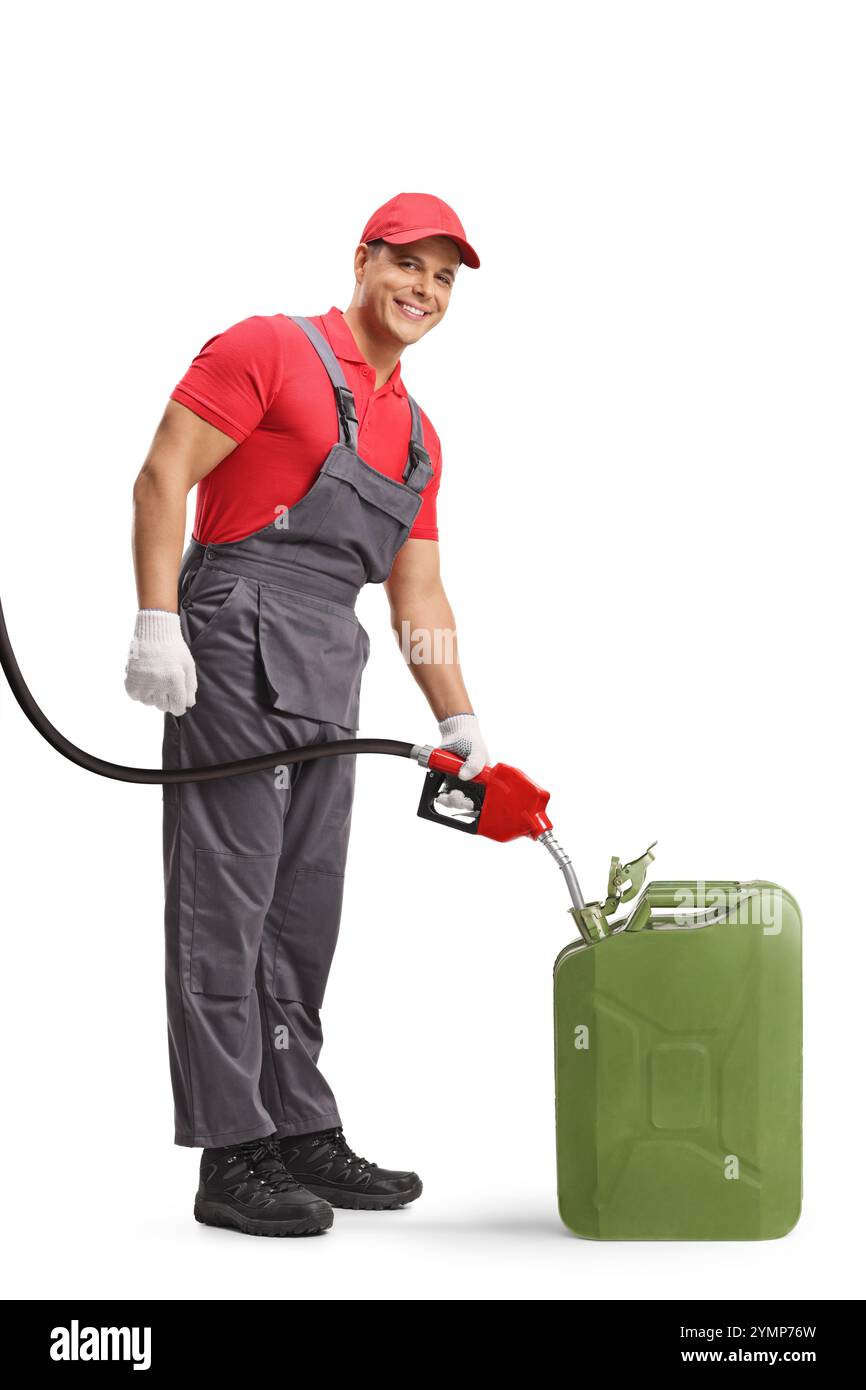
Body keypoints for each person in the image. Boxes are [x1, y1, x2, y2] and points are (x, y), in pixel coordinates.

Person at [124, 192, 489, 1237]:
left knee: (301, 913)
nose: (422, 288)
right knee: (224, 902)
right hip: (234, 639)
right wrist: (157, 623)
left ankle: (296, 1128)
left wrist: (460, 722)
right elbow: (161, 478)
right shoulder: (266, 350)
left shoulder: (415, 436)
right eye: (406, 264)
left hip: (331, 662)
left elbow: (416, 595)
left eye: (442, 276)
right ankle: (231, 1152)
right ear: (363, 258)